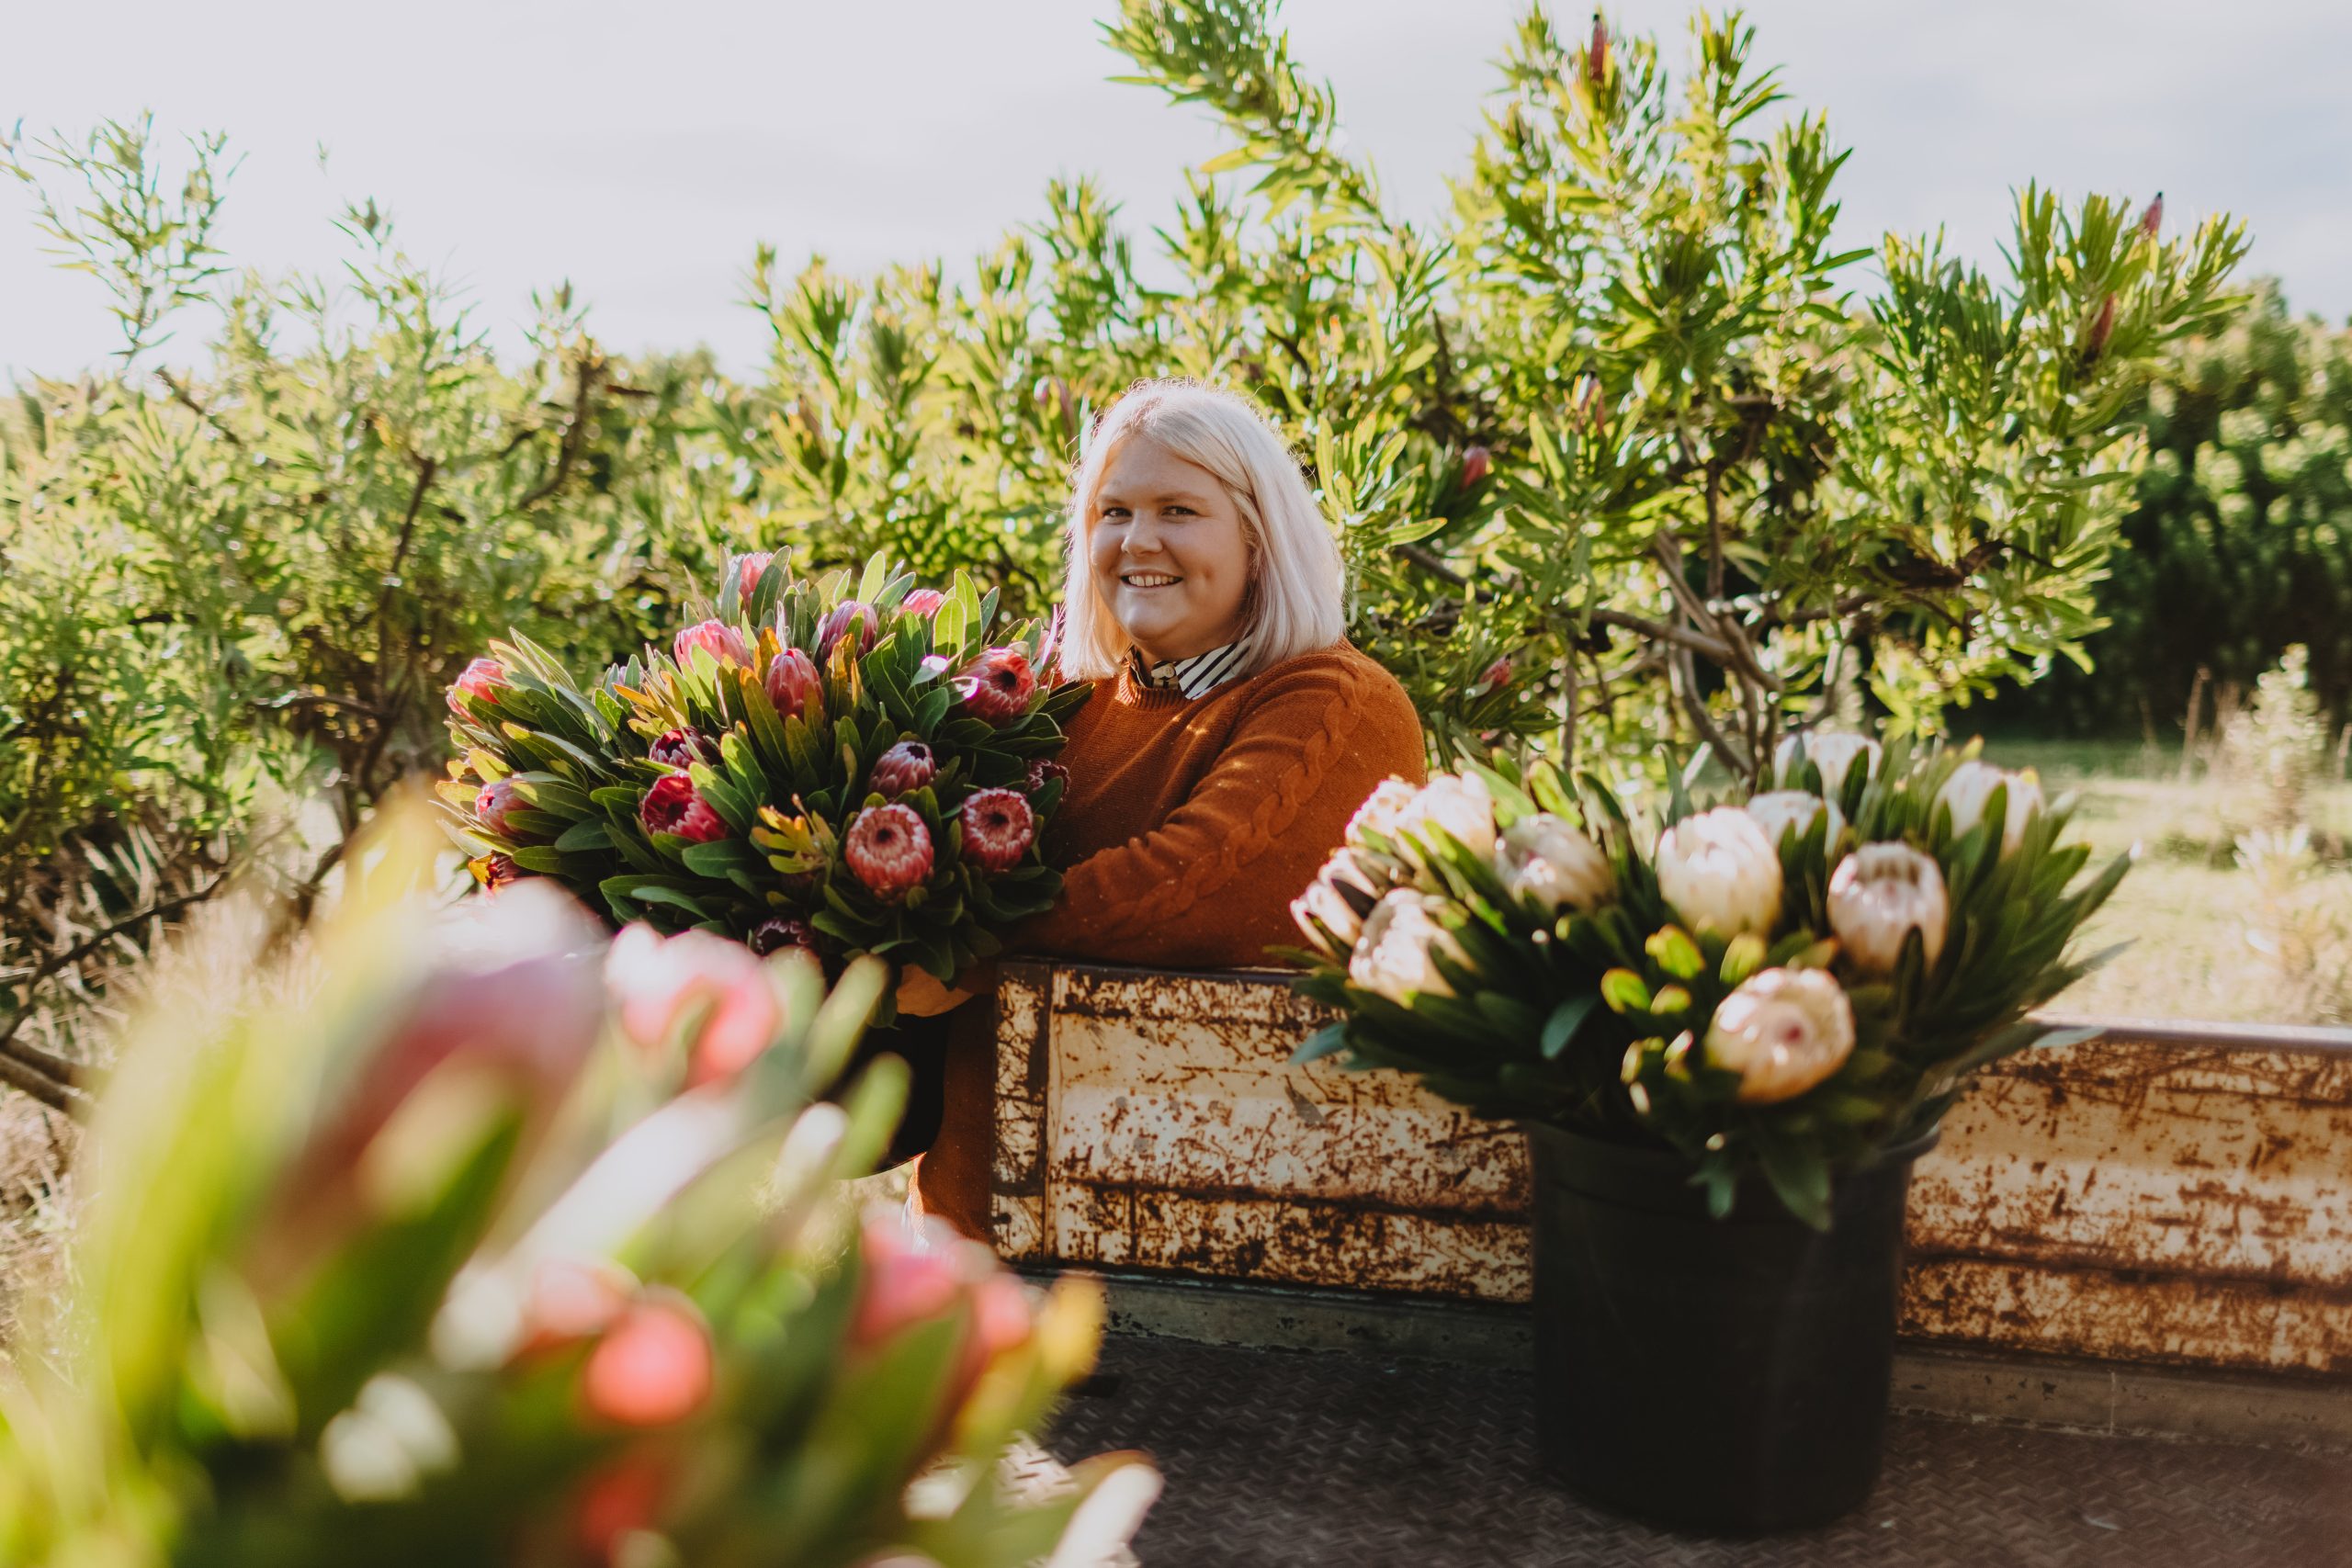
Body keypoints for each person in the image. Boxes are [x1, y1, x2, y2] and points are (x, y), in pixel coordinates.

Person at [910, 378, 1427, 1237]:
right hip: (970, 1225)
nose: (1137, 541)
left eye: (1179, 510)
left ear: (1260, 540)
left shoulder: (1336, 699)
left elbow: (1204, 880)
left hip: (1191, 1251)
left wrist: (963, 948)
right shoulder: (1066, 708)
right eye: (1113, 512)